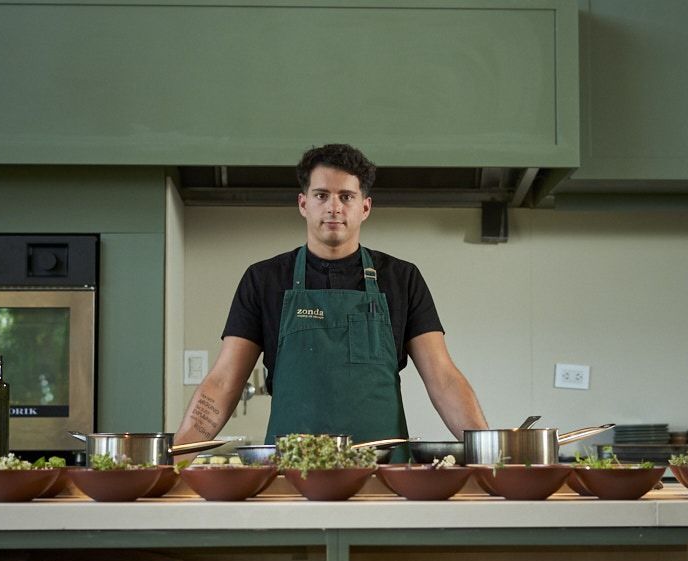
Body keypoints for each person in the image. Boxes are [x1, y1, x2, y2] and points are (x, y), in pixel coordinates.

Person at [173, 143, 487, 454]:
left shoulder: (402, 279)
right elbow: (223, 383)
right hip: (291, 475)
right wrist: (175, 462)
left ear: (365, 207)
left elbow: (443, 379)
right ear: (303, 204)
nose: (333, 207)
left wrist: (488, 451)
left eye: (346, 197)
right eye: (321, 195)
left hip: (382, 476)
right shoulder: (263, 280)